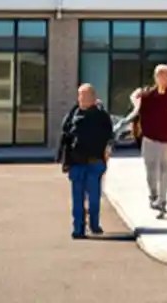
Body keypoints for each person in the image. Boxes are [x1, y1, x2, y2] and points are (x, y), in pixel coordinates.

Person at [58, 84, 114, 239]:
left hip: (95, 162)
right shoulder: (72, 115)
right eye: (80, 95)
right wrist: (64, 160)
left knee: (94, 197)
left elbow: (109, 138)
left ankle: (94, 224)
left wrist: (107, 154)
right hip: (76, 163)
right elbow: (65, 138)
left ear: (94, 97)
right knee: (77, 197)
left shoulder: (102, 116)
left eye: (86, 95)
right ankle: (78, 228)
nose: (83, 98)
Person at [131, 63, 167, 218]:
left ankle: (162, 199)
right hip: (150, 138)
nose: (163, 78)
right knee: (151, 171)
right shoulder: (147, 96)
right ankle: (153, 195)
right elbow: (135, 102)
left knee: (166, 170)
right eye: (160, 75)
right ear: (155, 77)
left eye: (166, 75)